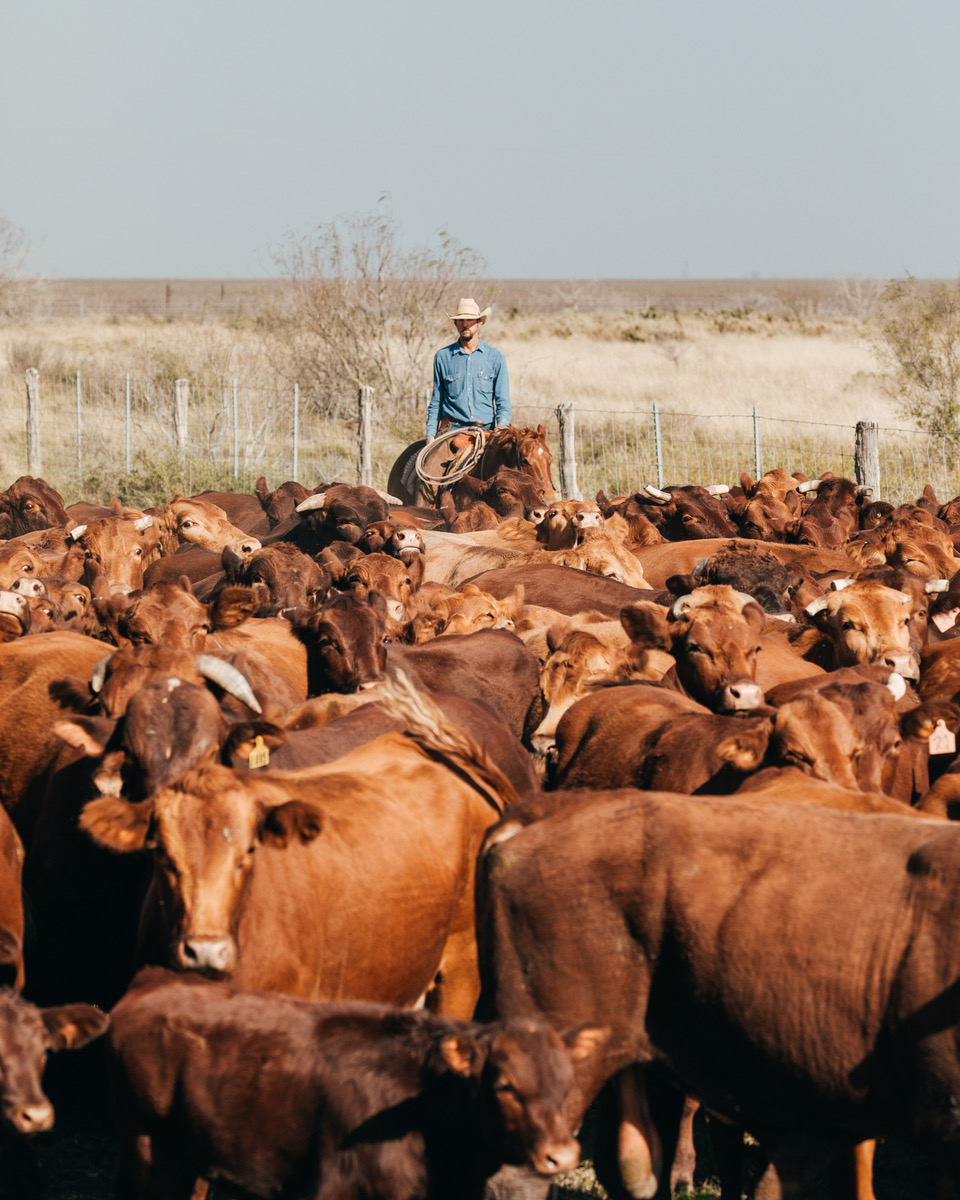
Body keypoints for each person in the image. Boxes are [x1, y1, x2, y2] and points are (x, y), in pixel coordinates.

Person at [425, 298, 511, 442]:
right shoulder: (443, 357)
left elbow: (503, 401)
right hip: (451, 431)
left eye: (470, 320)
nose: (465, 324)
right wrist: (430, 434)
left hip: (486, 430)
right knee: (427, 463)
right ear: (455, 324)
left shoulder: (496, 357)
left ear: (479, 322)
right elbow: (436, 401)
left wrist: (501, 426)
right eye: (461, 320)